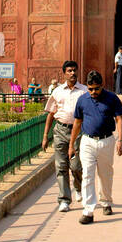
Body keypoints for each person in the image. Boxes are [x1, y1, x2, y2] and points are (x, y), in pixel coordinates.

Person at [70, 70, 122, 224]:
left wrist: (120, 140)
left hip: (106, 140)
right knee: (87, 174)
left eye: (96, 89)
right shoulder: (82, 100)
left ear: (102, 86)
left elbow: (119, 119)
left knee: (105, 174)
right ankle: (88, 210)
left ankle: (106, 201)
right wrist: (71, 144)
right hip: (87, 141)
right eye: (90, 89)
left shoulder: (111, 98)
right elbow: (77, 123)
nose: (93, 92)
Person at [41, 60, 87, 213]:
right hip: (60, 130)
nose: (72, 73)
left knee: (76, 166)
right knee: (61, 166)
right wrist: (45, 136)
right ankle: (64, 199)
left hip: (79, 132)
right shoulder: (58, 91)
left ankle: (78, 187)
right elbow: (51, 114)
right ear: (64, 73)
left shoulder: (84, 91)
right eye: (69, 71)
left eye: (74, 70)